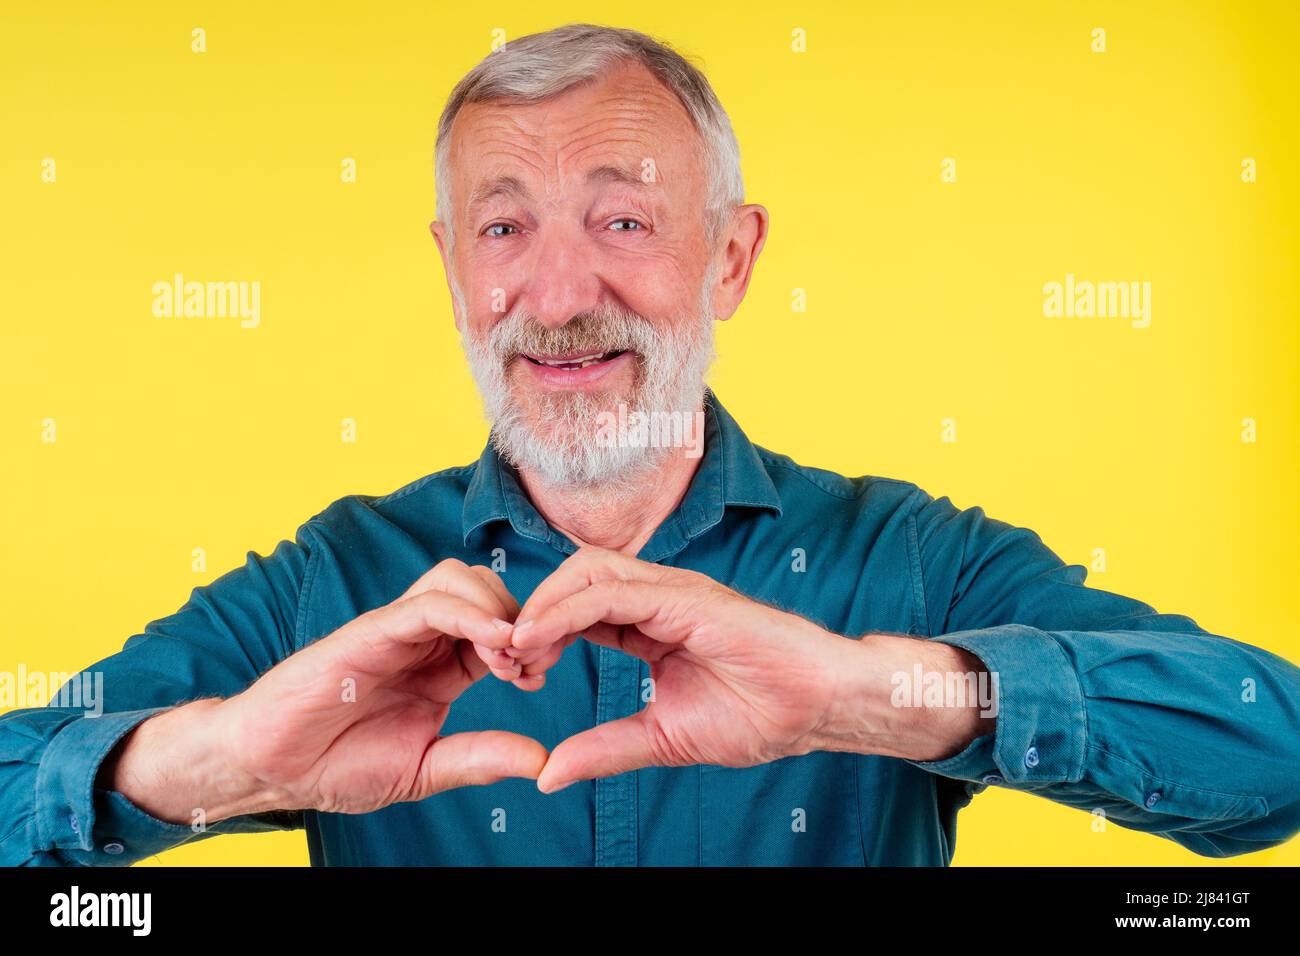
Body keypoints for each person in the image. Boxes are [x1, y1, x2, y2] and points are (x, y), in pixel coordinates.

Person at [3, 23, 1297, 867]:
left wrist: (872, 692)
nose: (559, 296)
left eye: (622, 222)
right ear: (453, 270)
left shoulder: (907, 562)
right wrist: (211, 761)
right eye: (504, 232)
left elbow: (1272, 753)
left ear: (731, 258)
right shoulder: (332, 586)